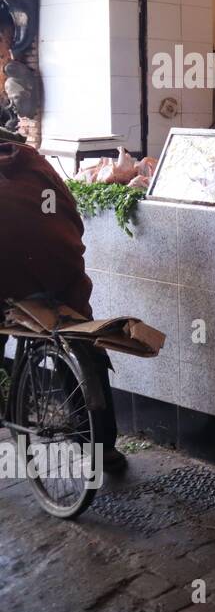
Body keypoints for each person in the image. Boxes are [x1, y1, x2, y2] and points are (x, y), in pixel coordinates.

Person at [0, 129, 125, 472]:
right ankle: (103, 449)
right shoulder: (37, 164)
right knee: (81, 336)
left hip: (9, 277)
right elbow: (71, 214)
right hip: (61, 271)